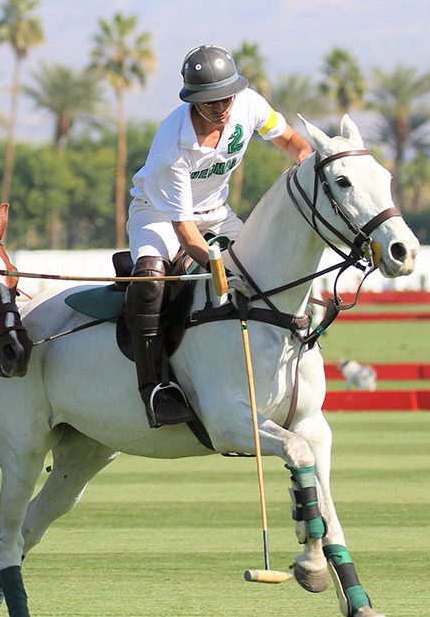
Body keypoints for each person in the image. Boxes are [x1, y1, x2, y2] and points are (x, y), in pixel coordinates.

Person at [125, 45, 313, 427]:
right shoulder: (172, 145)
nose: (221, 107)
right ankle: (155, 388)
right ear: (193, 100)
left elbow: (292, 140)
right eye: (210, 101)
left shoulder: (250, 105)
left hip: (217, 213)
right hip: (159, 214)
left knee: (267, 269)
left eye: (226, 97)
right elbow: (184, 231)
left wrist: (308, 165)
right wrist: (222, 269)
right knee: (151, 280)